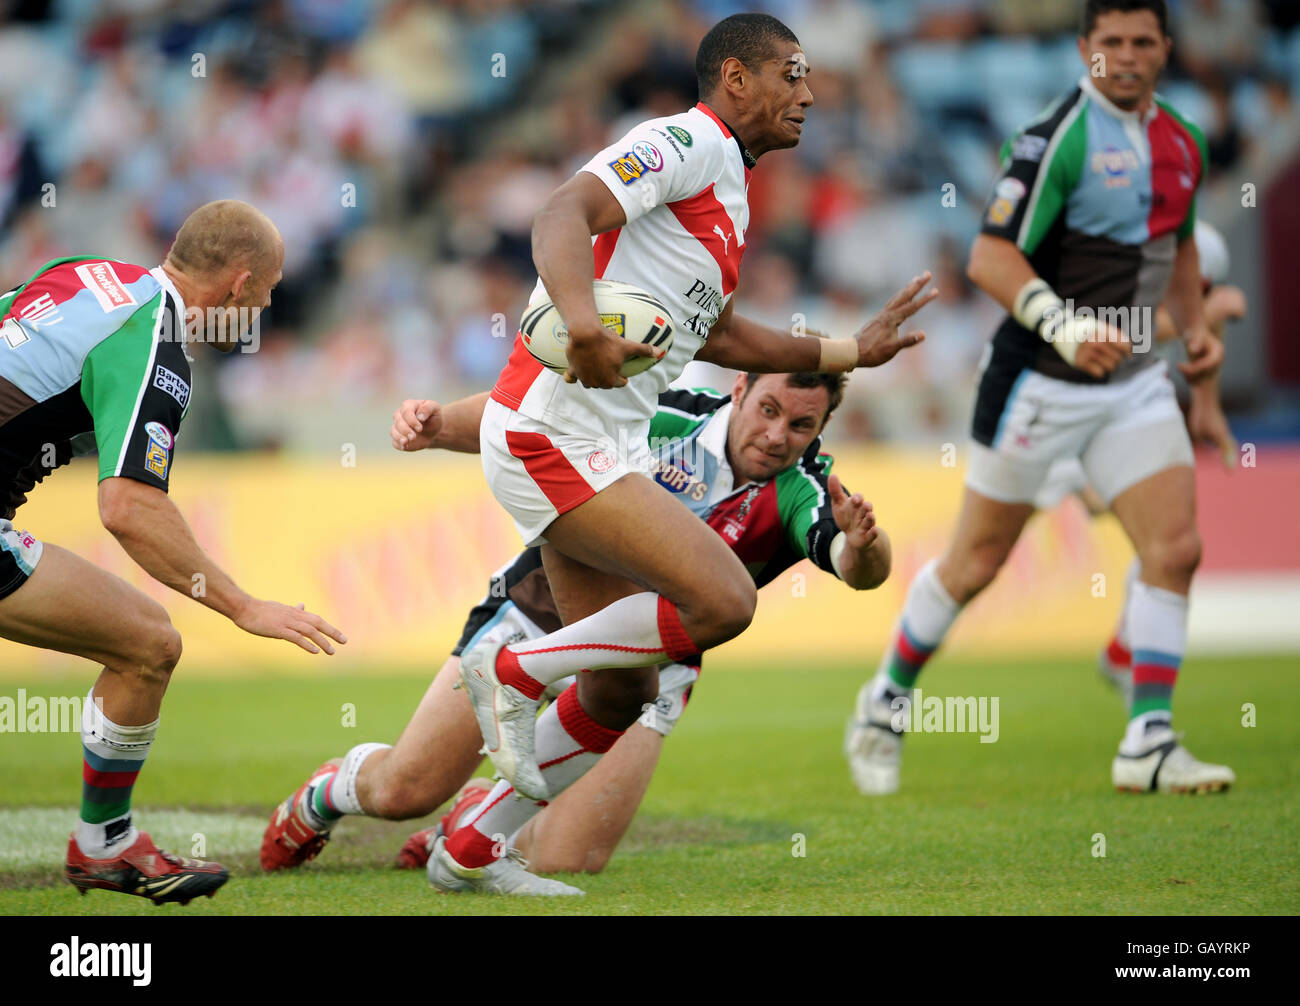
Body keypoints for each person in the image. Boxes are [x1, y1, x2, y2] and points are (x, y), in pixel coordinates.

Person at [449, 12, 932, 891]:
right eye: (793, 74)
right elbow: (562, 211)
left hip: (600, 443)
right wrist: (586, 328)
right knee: (722, 598)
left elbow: (719, 336)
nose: (811, 93)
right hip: (550, 428)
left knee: (619, 692)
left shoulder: (734, 196)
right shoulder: (684, 142)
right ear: (737, 80)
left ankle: (471, 852)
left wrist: (847, 352)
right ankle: (510, 670)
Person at [262, 370, 891, 894]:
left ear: (820, 431)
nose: (777, 436)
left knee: (567, 857)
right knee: (406, 789)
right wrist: (438, 427)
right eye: (770, 410)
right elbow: (538, 412)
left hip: (656, 660)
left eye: (801, 425)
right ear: (740, 388)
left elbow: (854, 565)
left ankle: (474, 820)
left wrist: (864, 545)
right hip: (540, 603)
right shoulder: (666, 414)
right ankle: (328, 792)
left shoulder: (804, 487)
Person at [845, 0, 1234, 797]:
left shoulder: (1181, 142)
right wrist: (1063, 327)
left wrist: (1195, 341)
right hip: (1038, 381)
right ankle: (883, 703)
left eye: (1142, 42)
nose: (1125, 56)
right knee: (976, 563)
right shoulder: (1057, 137)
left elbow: (1183, 245)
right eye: (1110, 42)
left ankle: (1148, 741)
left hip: (1129, 383)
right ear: (1086, 49)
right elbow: (990, 258)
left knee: (1177, 550)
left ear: (1165, 50)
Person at [0, 200, 346, 904]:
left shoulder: (82, 272)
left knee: (143, 639)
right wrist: (243, 606)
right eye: (268, 294)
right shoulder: (155, 344)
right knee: (148, 643)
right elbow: (128, 507)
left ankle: (106, 846)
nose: (263, 312)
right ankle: (105, 846)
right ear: (238, 286)